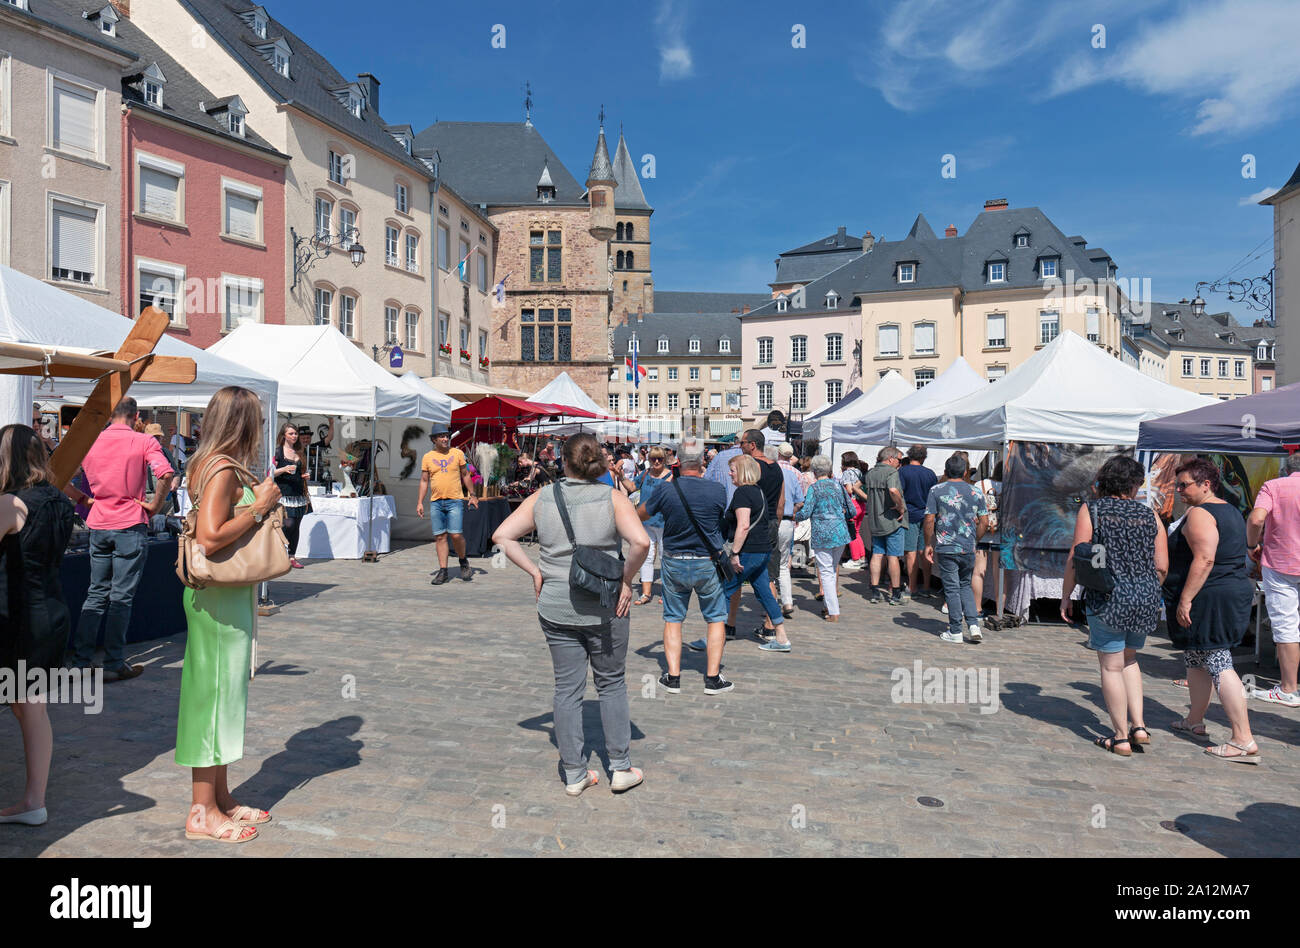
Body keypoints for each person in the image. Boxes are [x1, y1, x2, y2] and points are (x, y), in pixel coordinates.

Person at [491, 433, 650, 795]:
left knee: (567, 688)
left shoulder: (543, 497)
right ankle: (621, 767)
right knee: (611, 684)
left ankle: (575, 772)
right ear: (601, 463)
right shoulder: (613, 498)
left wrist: (535, 571)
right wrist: (627, 580)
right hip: (607, 603)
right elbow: (641, 542)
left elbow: (502, 536)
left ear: (564, 461)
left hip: (556, 601)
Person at [176, 386, 280, 842]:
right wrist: (258, 509)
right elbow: (211, 536)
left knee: (222, 696)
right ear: (244, 423)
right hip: (218, 597)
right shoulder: (220, 469)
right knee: (212, 699)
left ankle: (219, 797)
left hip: (223, 595)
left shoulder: (213, 463)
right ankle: (202, 810)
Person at [1060, 456, 1168, 755]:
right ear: (1135, 484)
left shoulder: (1092, 510)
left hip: (1108, 597)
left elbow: (1077, 555)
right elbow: (1161, 566)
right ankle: (1139, 726)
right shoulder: (1151, 516)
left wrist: (1067, 595)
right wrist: (1144, 589)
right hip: (1145, 598)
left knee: (1111, 666)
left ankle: (1120, 736)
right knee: (1130, 660)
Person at [66, 397, 174, 681]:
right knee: (120, 597)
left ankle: (80, 661)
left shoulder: (92, 441)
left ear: (110, 414)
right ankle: (114, 662)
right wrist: (156, 505)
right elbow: (165, 473)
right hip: (129, 522)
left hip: (99, 523)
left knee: (96, 593)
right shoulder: (143, 441)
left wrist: (81, 498)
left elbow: (58, 475)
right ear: (136, 415)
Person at [0, 425, 76, 826]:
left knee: (28, 708)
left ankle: (34, 801)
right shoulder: (60, 500)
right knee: (31, 708)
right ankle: (34, 799)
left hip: (22, 618)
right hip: (51, 610)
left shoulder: (12, 502)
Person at [1163, 458, 1259, 762]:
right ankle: (1194, 720)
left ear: (1206, 484)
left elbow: (1204, 559)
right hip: (1224, 591)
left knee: (1219, 661)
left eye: (1185, 484)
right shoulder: (1229, 509)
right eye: (1177, 485)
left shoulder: (1202, 514)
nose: (1179, 490)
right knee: (1196, 656)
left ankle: (1242, 739)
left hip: (1213, 595)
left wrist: (1186, 599)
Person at [639, 438, 732, 693]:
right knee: (715, 619)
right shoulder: (717, 490)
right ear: (702, 461)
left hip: (674, 560)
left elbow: (641, 513)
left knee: (673, 618)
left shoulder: (667, 489)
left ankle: (673, 676)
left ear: (677, 461)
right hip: (706, 561)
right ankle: (713, 678)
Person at [706, 453, 790, 652]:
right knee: (764, 593)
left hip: (748, 552)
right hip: (762, 550)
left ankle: (715, 637)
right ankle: (782, 637)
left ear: (742, 472)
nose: (730, 473)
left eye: (733, 470)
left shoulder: (743, 493)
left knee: (724, 590)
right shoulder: (758, 491)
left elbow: (743, 526)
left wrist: (735, 553)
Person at [1246, 452, 1300, 706]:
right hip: (1282, 564)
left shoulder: (1274, 486)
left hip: (1281, 563)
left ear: (1286, 469)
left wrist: (1251, 544)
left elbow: (1256, 518)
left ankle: (1289, 688)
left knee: (1286, 625)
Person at [924, 454, 989, 643]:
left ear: (945, 472)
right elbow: (984, 521)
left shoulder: (936, 490)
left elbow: (929, 519)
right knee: (965, 586)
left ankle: (955, 630)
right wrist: (974, 539)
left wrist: (928, 543)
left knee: (952, 588)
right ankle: (974, 625)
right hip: (967, 546)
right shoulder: (976, 492)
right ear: (966, 471)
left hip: (947, 545)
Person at [736, 430, 784, 641]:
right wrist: (777, 522)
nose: (740, 446)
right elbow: (781, 501)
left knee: (741, 573)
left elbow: (749, 499)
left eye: (743, 443)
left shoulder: (753, 468)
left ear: (752, 445)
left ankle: (727, 624)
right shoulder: (776, 467)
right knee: (767, 574)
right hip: (773, 520)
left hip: (756, 524)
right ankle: (770, 624)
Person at [417, 425, 479, 584]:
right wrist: (420, 502)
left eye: (447, 436)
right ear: (433, 439)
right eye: (441, 436)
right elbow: (424, 481)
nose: (445, 439)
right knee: (440, 537)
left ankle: (463, 560)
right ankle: (443, 571)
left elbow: (465, 475)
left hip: (455, 500)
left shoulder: (457, 453)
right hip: (436, 502)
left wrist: (472, 495)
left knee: (456, 534)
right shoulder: (427, 457)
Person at [796, 455, 853, 622]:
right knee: (832, 569)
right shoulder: (838, 486)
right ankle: (829, 606)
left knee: (826, 572)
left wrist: (793, 516)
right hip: (840, 533)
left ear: (814, 471)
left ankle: (833, 611)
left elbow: (806, 512)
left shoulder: (815, 488)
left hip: (823, 534)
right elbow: (852, 510)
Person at [865, 447, 908, 604]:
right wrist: (900, 506)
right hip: (892, 521)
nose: (899, 463)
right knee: (893, 556)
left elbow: (856, 486)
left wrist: (869, 501)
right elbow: (893, 489)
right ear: (891, 459)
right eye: (899, 460)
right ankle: (896, 593)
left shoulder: (871, 472)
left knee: (877, 554)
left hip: (876, 520)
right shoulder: (891, 472)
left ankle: (875, 591)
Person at [632, 446, 673, 606]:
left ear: (664, 460)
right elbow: (632, 487)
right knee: (646, 557)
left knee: (665, 558)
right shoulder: (644, 474)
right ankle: (646, 593)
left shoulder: (671, 476)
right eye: (653, 459)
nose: (656, 462)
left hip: (665, 522)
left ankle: (666, 593)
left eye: (660, 459)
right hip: (646, 522)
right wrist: (620, 476)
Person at [898, 446, 937, 601]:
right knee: (925, 551)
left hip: (910, 515)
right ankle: (926, 586)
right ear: (924, 457)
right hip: (927, 515)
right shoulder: (930, 474)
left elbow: (898, 493)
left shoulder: (903, 472)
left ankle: (912, 586)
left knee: (911, 552)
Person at [774, 442, 805, 618]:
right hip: (787, 522)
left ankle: (770, 604)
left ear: (778, 454)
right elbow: (800, 501)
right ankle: (787, 602)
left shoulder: (769, 470)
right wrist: (791, 513)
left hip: (771, 521)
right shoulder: (796, 474)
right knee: (783, 565)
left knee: (769, 564)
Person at [273, 422, 308, 569]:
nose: (294, 436)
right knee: (288, 524)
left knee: (296, 527)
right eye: (291, 433)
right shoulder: (278, 452)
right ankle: (279, 553)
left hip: (298, 493)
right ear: (284, 435)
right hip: (284, 493)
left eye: (295, 433)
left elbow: (301, 472)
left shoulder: (299, 452)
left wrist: (305, 476)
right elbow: (269, 473)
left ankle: (292, 556)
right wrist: (284, 469)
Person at [971, 462, 1003, 617]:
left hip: (982, 531)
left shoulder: (980, 484)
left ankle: (977, 608)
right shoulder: (1009, 486)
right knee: (1000, 574)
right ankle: (1000, 611)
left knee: (978, 572)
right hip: (1001, 534)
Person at [839, 451, 868, 566]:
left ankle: (856, 558)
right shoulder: (859, 472)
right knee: (856, 531)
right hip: (861, 504)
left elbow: (850, 490)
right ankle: (862, 557)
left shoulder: (847, 473)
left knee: (851, 532)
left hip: (852, 504)